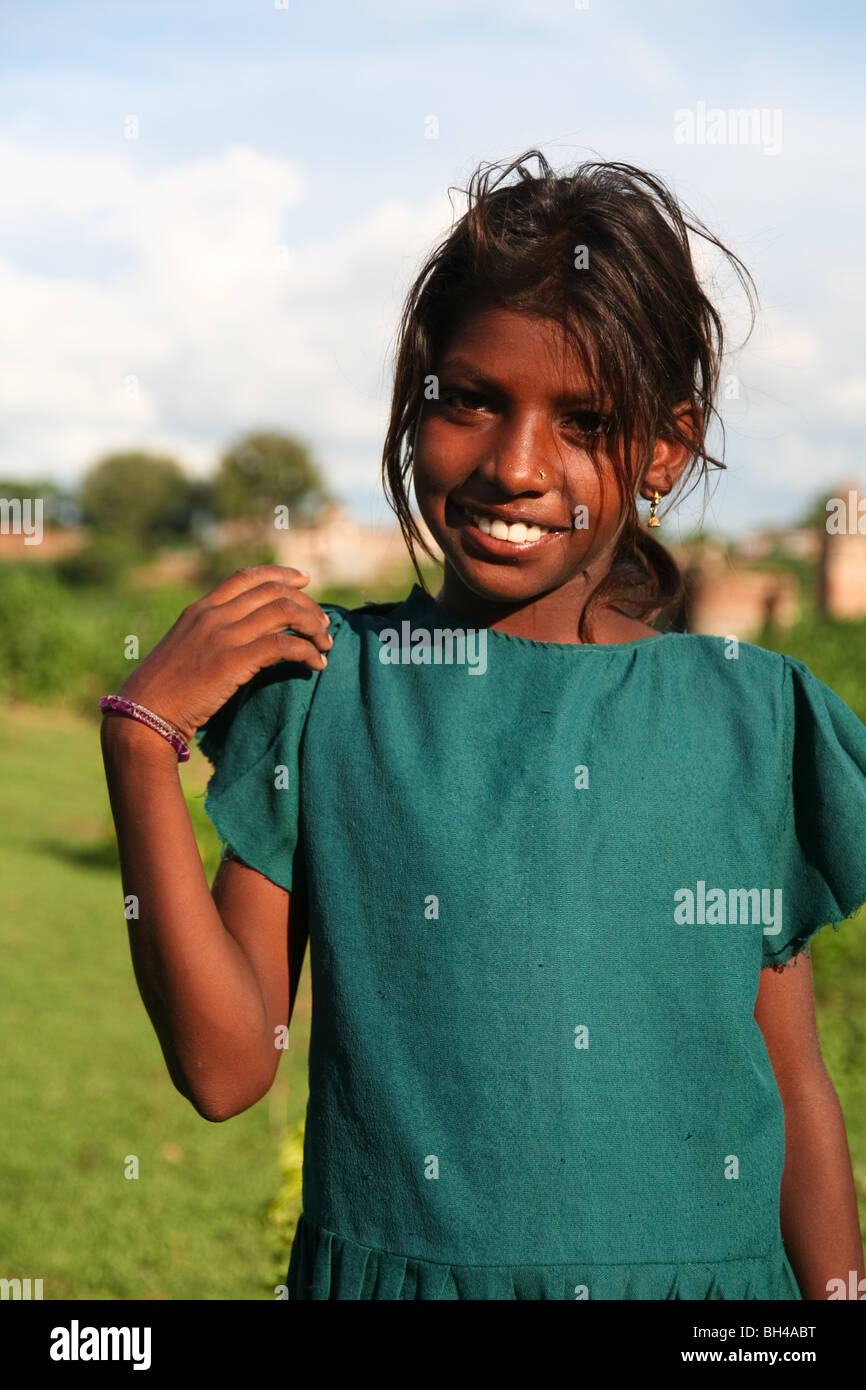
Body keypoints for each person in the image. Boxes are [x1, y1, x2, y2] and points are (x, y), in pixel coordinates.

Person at [100, 150, 866, 1300]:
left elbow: (788, 1073)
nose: (513, 466)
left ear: (663, 444)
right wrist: (139, 740)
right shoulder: (321, 692)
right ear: (415, 404)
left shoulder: (749, 713)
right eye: (470, 398)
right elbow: (223, 1069)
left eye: (583, 418)